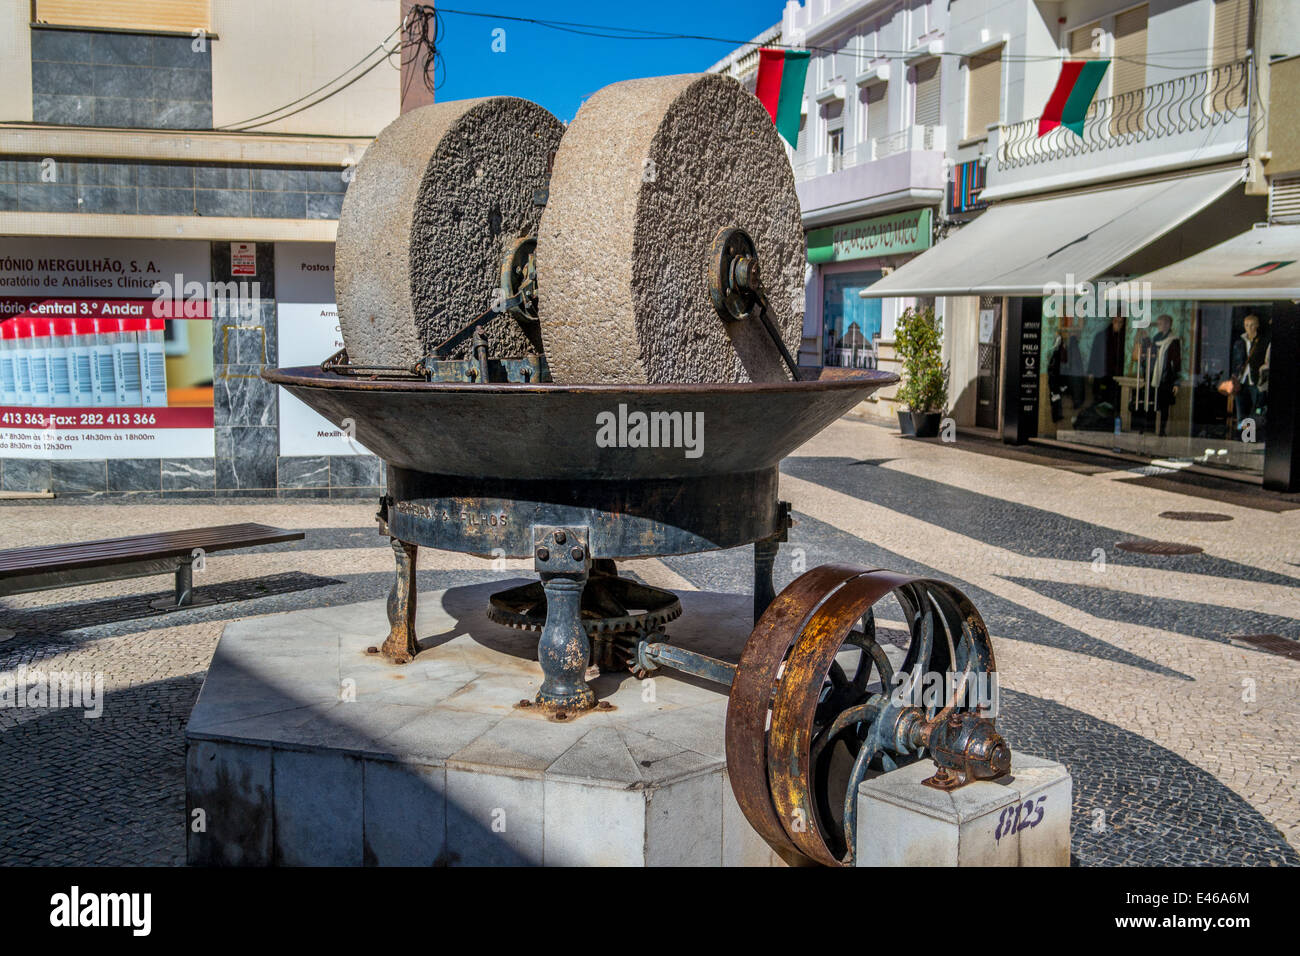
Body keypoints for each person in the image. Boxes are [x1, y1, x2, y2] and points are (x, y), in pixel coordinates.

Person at [1131, 314, 1182, 436]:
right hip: (1151, 376)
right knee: (1149, 403)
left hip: (1165, 379)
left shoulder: (1173, 340)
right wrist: (1145, 338)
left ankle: (1162, 431)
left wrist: (1176, 383)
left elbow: (1176, 363)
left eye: (1161, 323)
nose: (1159, 326)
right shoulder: (1156, 338)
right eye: (1158, 323)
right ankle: (1147, 427)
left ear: (1168, 325)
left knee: (1164, 406)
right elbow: (1150, 354)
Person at [1229, 313, 1270, 435]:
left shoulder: (1263, 342)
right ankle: (1243, 438)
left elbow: (1267, 361)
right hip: (1241, 380)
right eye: (1246, 325)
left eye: (1252, 325)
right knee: (1241, 410)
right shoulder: (1239, 342)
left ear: (1257, 325)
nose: (1249, 328)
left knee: (1254, 412)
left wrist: (1262, 372)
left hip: (1256, 380)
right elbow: (1234, 362)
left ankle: (1250, 438)